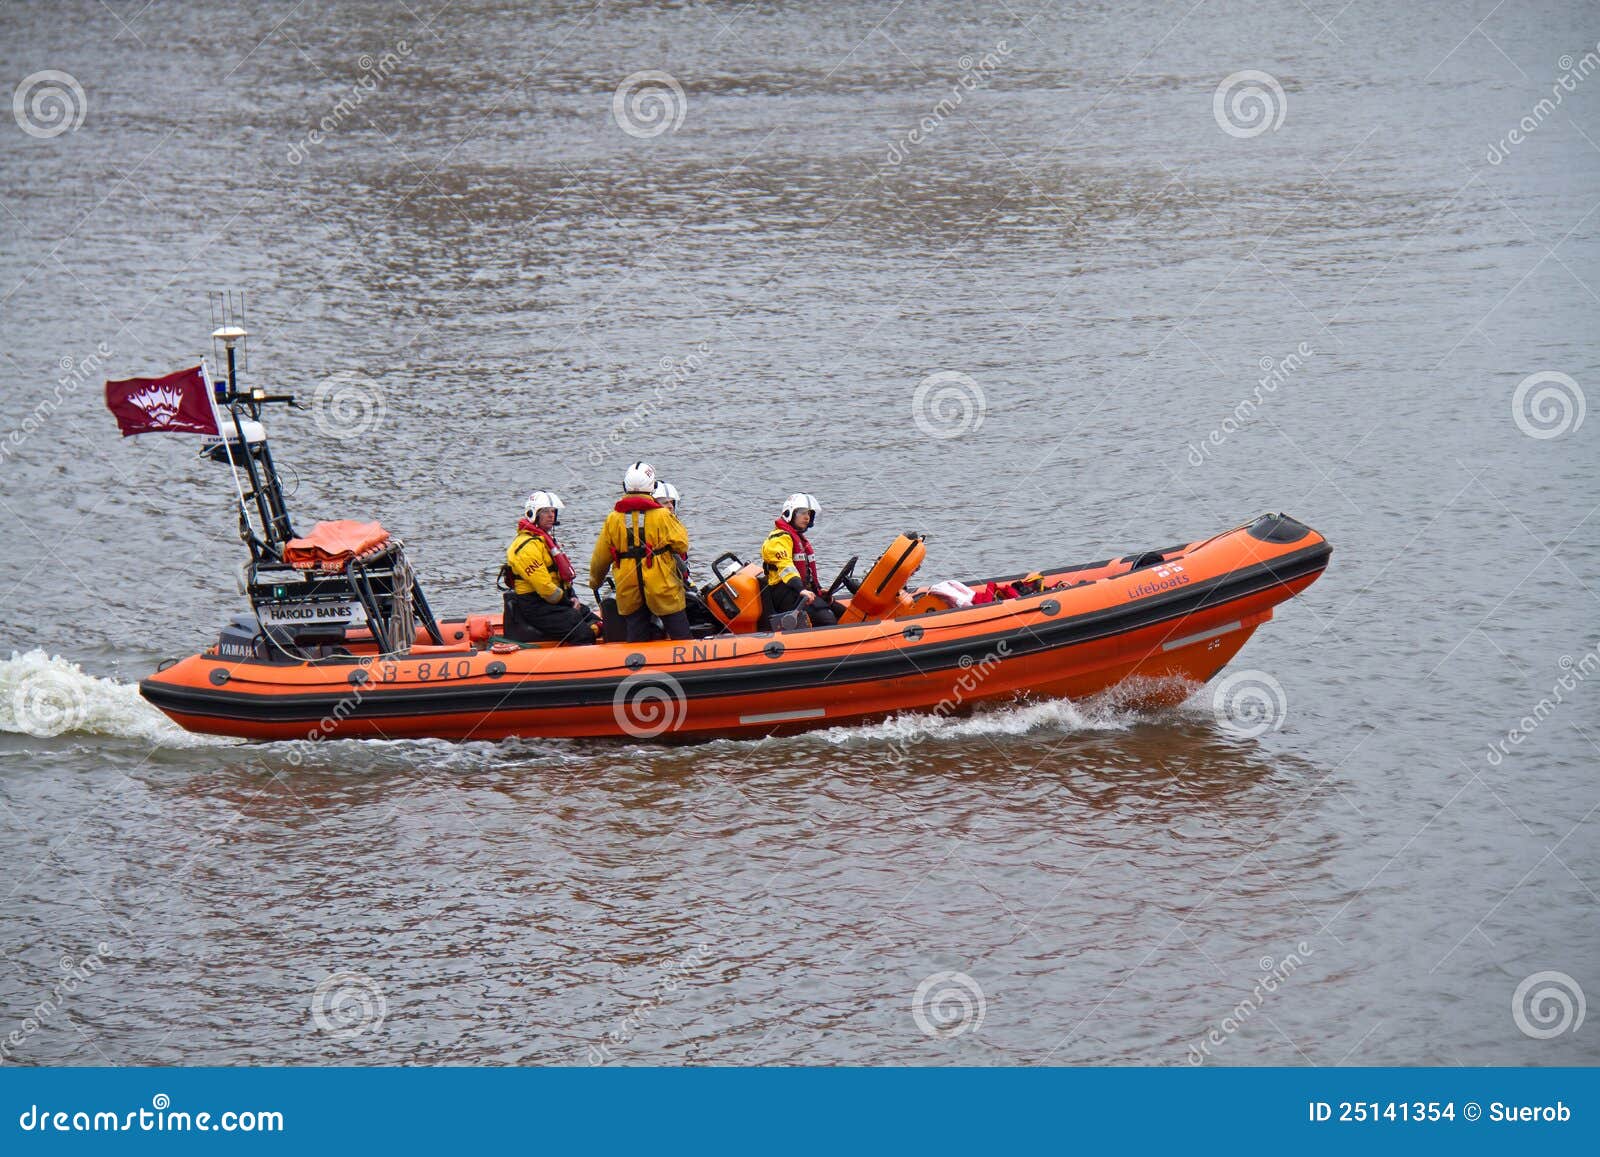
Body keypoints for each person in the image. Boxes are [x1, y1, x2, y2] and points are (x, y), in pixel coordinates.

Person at [590, 461, 692, 641]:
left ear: (625, 486)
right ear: (651, 486)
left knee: (636, 634)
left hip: (628, 588)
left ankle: (636, 665)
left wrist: (594, 582)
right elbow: (681, 544)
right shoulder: (662, 515)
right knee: (680, 634)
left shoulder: (613, 519)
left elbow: (600, 558)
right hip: (662, 588)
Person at [502, 491, 600, 645]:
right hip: (536, 606)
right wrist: (569, 603)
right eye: (546, 512)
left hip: (554, 603)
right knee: (582, 633)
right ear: (533, 514)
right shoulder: (526, 547)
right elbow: (545, 588)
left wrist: (572, 597)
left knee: (594, 621)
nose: (551, 515)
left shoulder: (544, 541)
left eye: (553, 511)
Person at [761, 492, 843, 628]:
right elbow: (786, 567)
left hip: (799, 592)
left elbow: (805, 571)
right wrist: (801, 589)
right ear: (789, 513)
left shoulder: (798, 539)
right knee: (826, 619)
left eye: (809, 514)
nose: (806, 517)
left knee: (839, 610)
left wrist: (818, 589)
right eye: (802, 513)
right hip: (785, 594)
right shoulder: (778, 539)